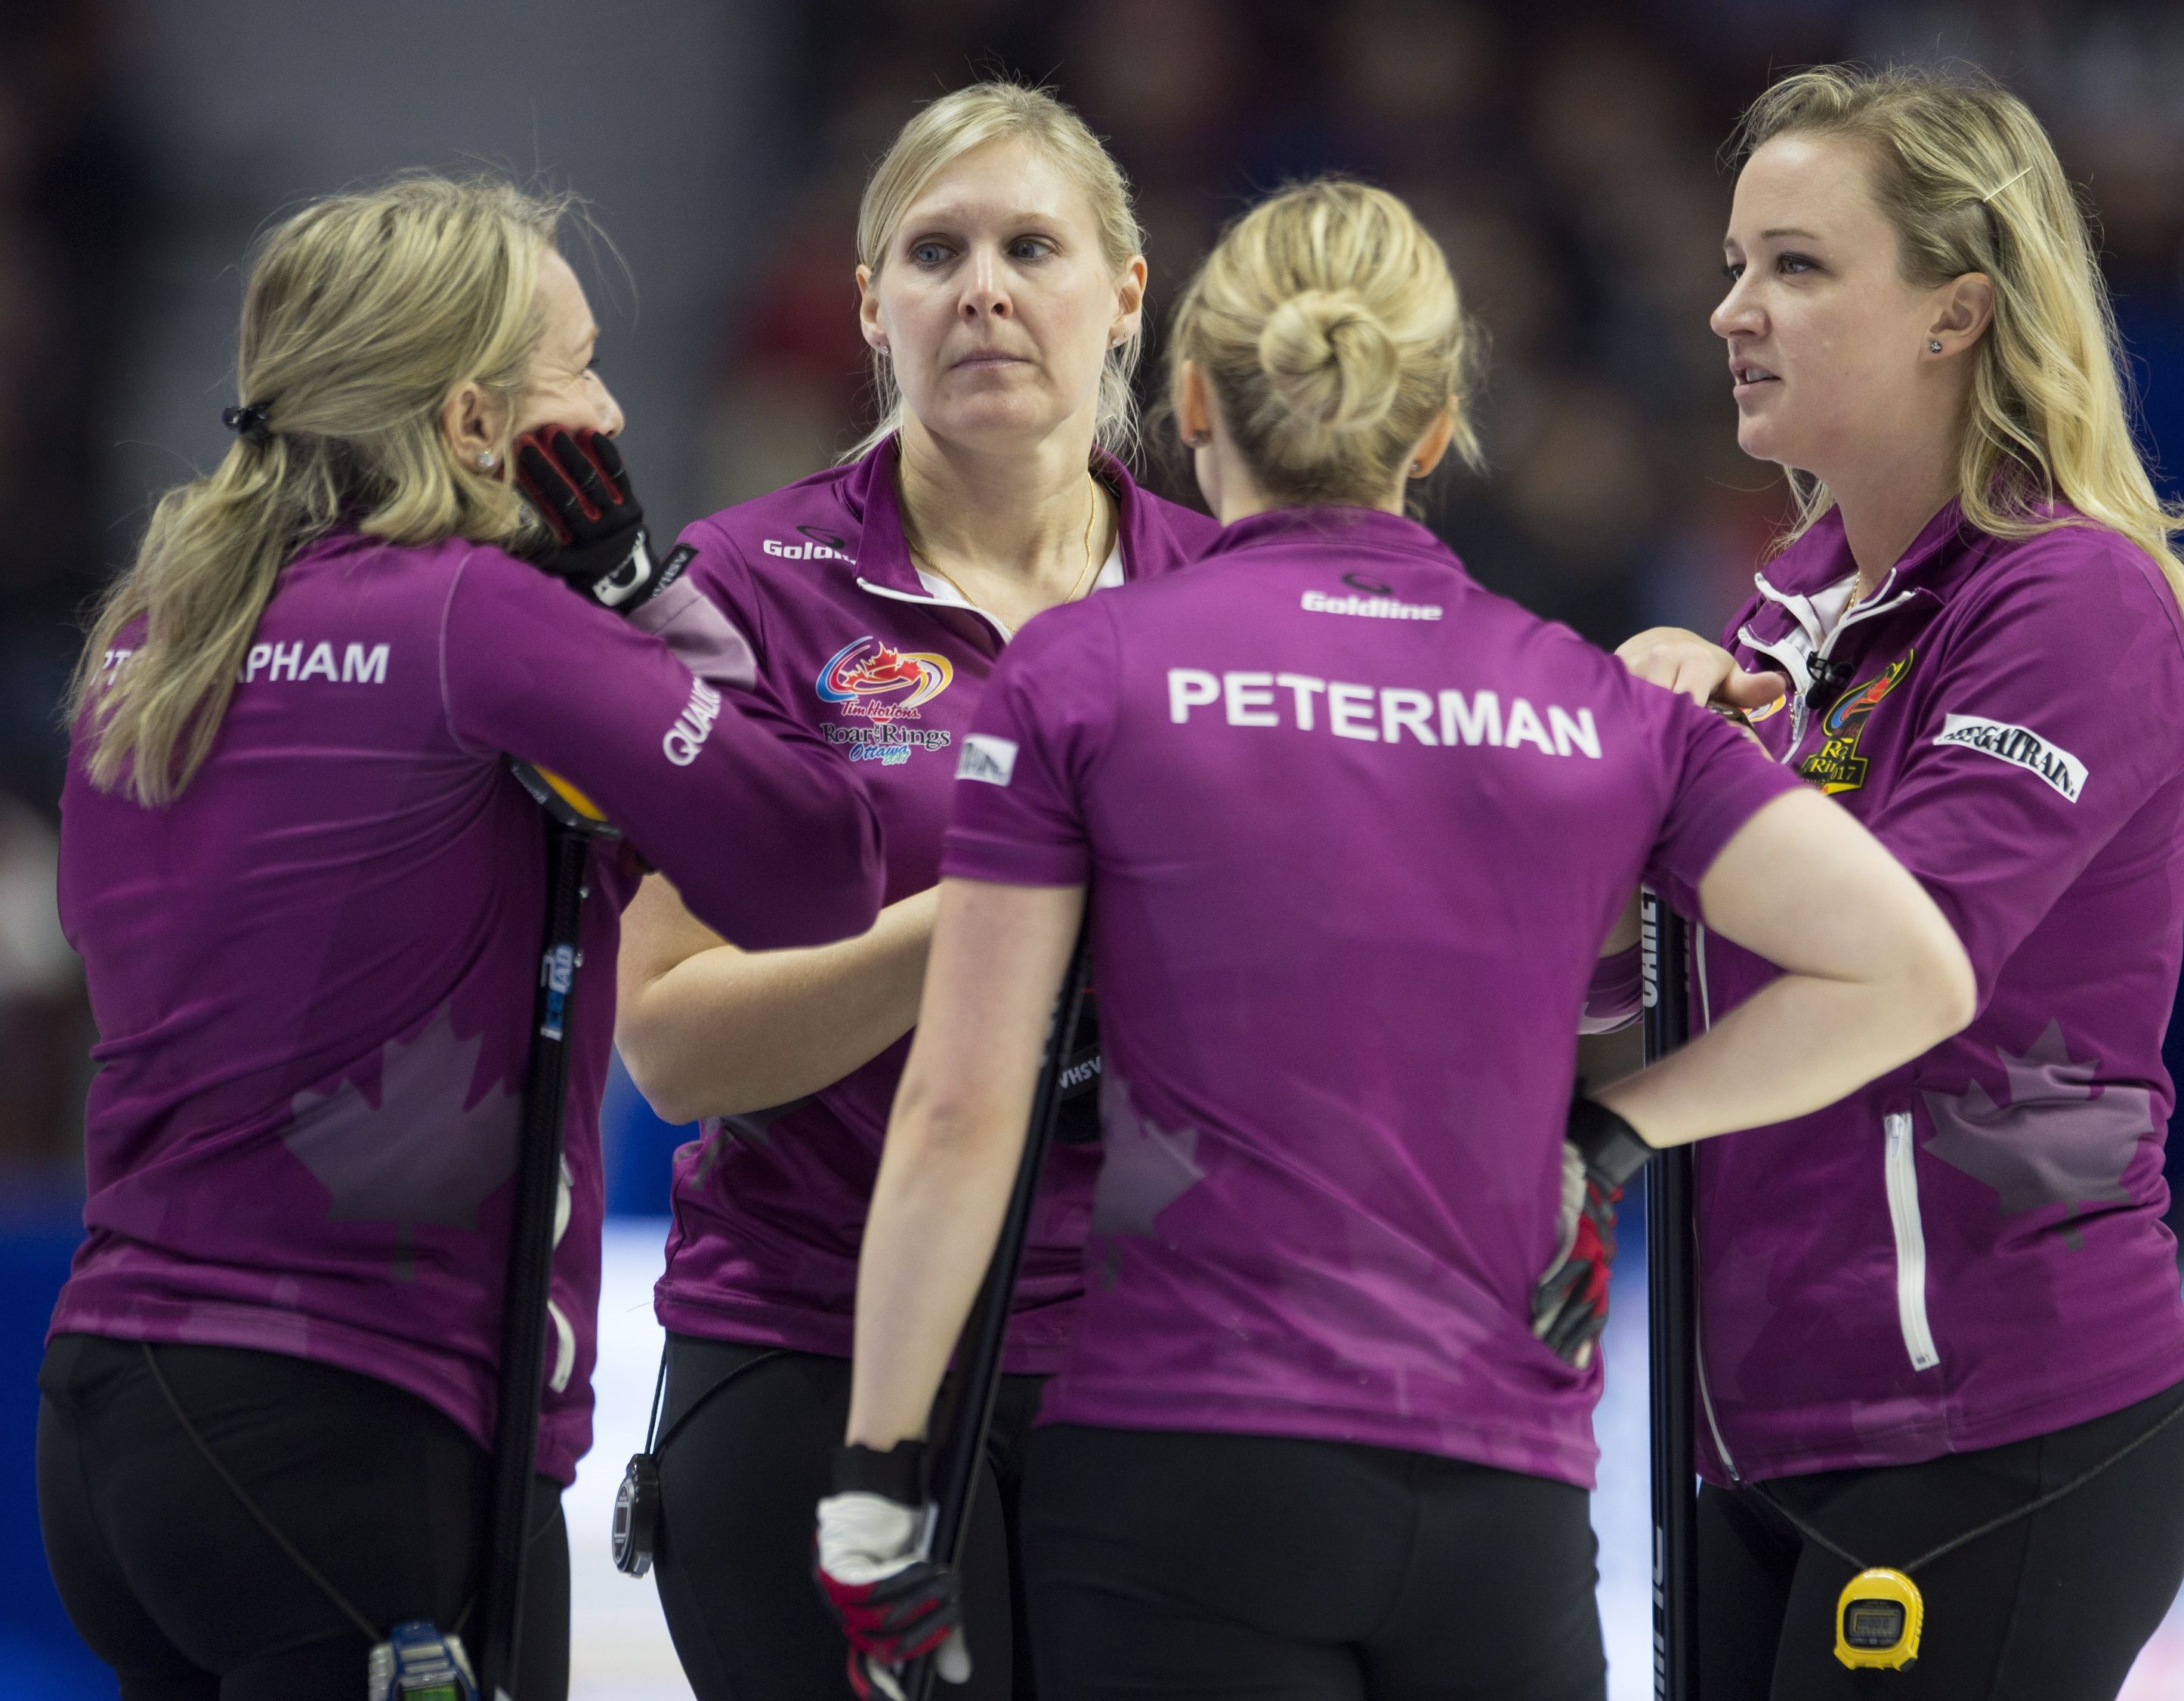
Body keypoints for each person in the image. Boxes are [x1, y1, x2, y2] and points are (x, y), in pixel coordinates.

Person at [814, 177, 1976, 1701]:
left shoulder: (1083, 674)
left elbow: (965, 1106)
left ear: (1188, 403)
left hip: (1183, 1473)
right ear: (1435, 431)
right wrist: (1614, 1130)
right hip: (1498, 1497)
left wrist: (879, 1479)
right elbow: (1914, 971)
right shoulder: (1592, 697)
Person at [36, 175, 884, 1701]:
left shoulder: (154, 630)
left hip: (114, 1415)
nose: (615, 410)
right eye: (581, 364)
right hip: (356, 1430)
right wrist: (644, 592)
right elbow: (820, 861)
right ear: (486, 426)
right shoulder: (474, 619)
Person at [1611, 65, 2184, 1700]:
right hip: (1759, 1416)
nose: (1731, 311)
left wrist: (1608, 1126)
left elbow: (1903, 962)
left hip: (1997, 1422)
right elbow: (1670, 965)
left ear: (1955, 312)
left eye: (1797, 267)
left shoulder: (2071, 602)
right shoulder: (1788, 611)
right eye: (1736, 263)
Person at [610, 82, 1218, 1701]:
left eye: (1033, 245)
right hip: (814, 1348)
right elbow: (672, 1043)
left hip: (1163, 1374)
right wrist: (986, 918)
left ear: (1126, 293)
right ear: (873, 304)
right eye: (934, 252)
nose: (986, 289)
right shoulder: (742, 588)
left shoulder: (1234, 598)